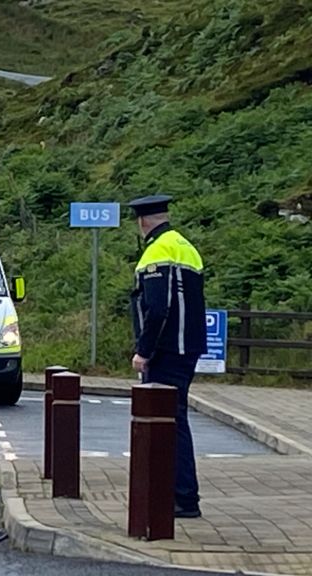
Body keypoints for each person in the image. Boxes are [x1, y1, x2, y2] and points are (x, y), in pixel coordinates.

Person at [128, 194, 207, 519]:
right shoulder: (186, 246)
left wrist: (144, 352)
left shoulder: (157, 252)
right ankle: (180, 495)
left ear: (142, 221)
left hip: (167, 351)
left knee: (170, 425)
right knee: (177, 421)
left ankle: (183, 499)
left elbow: (157, 309)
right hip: (188, 348)